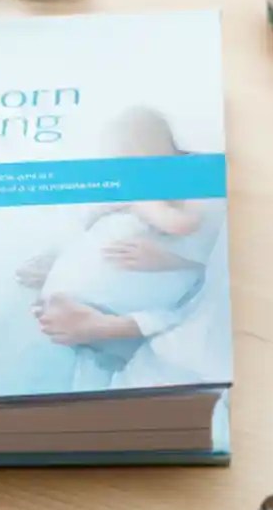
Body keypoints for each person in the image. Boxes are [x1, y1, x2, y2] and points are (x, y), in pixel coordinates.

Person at [15, 106, 224, 390]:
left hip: (129, 320)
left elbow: (181, 224)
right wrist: (62, 260)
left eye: (124, 157)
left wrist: (140, 202)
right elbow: (92, 220)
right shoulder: (141, 191)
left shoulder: (195, 172)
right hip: (85, 321)